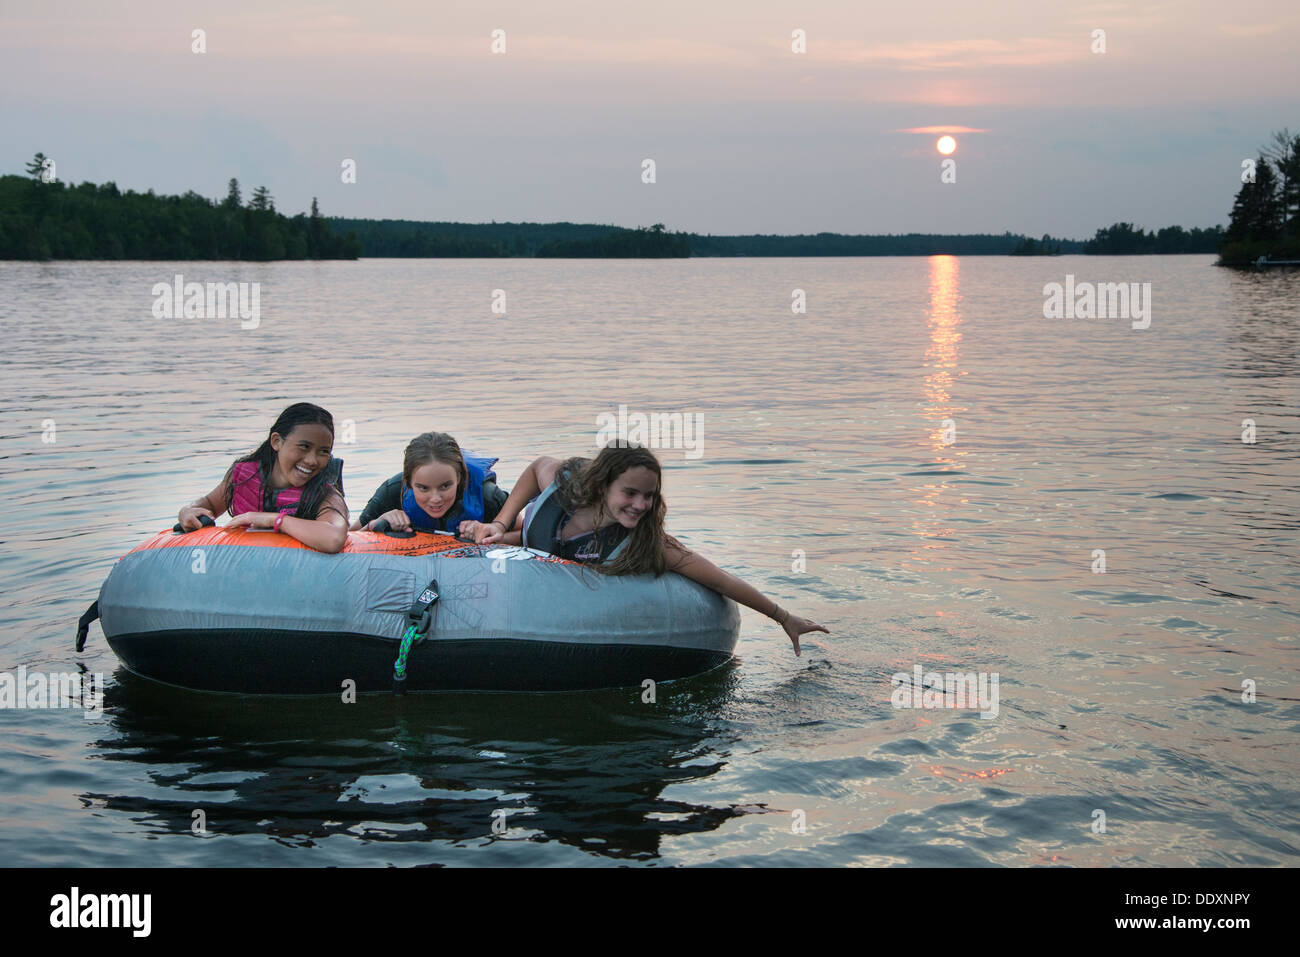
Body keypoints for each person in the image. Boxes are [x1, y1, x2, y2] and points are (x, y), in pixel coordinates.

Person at [475, 444, 828, 655]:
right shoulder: (567, 484)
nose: (641, 504)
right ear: (603, 486)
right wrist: (502, 523)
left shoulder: (646, 542)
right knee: (481, 526)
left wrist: (783, 617)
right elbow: (538, 465)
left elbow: (719, 580)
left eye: (649, 496)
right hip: (526, 532)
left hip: (544, 557)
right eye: (630, 493)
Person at [177, 402, 349, 553]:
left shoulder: (326, 493)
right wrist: (187, 511)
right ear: (276, 442)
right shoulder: (244, 477)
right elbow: (208, 504)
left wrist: (273, 520)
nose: (312, 460)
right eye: (304, 446)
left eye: (324, 451)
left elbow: (333, 539)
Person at [351, 431, 520, 539]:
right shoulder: (392, 492)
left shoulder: (487, 496)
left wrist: (487, 534)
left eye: (445, 486)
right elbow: (350, 537)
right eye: (423, 488)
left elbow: (525, 535)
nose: (435, 499)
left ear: (460, 478)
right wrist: (375, 524)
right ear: (408, 482)